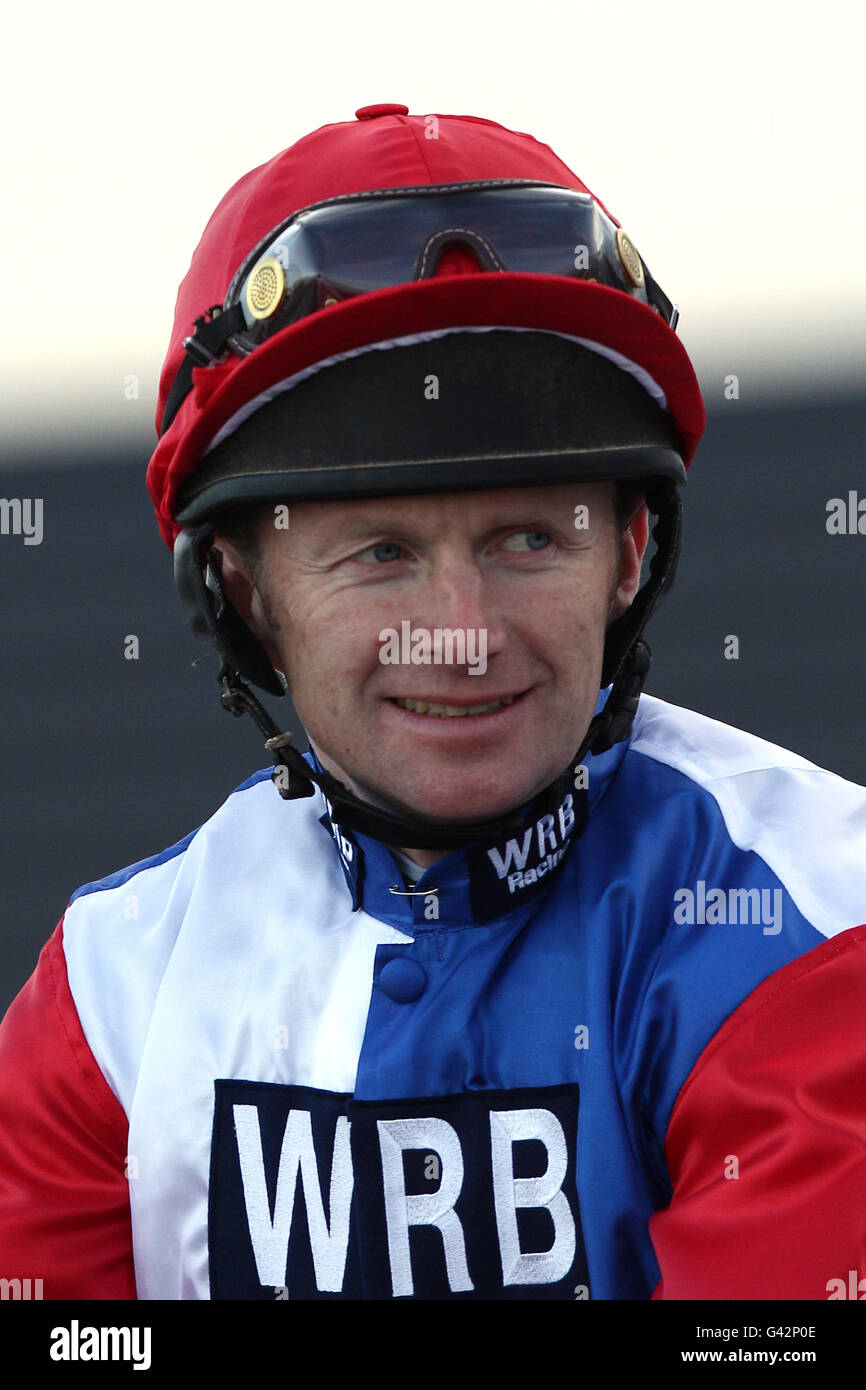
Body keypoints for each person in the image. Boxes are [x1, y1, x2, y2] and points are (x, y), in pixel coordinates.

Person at [1, 103, 864, 1302]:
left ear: (626, 553)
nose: (458, 633)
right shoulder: (106, 1007)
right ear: (246, 592)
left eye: (524, 537)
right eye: (380, 553)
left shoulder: (823, 936)